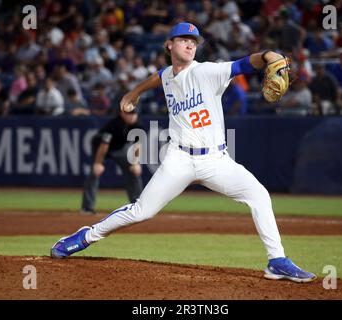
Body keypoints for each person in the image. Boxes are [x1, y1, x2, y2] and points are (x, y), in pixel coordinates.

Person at [51, 22, 316, 283]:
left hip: (215, 160)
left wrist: (268, 55)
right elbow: (160, 76)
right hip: (179, 158)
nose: (190, 44)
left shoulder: (207, 72)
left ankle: (276, 260)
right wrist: (135, 92)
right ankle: (85, 236)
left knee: (258, 194)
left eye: (194, 41)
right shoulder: (168, 75)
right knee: (142, 211)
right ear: (169, 44)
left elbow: (244, 64)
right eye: (184, 39)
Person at [81, 109, 144, 215]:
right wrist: (98, 163)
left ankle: (137, 205)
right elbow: (104, 145)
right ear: (122, 114)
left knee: (133, 170)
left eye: (134, 113)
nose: (133, 116)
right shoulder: (114, 125)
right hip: (100, 149)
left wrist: (135, 163)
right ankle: (87, 208)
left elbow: (137, 146)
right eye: (130, 113)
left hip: (119, 149)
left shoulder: (137, 126)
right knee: (95, 173)